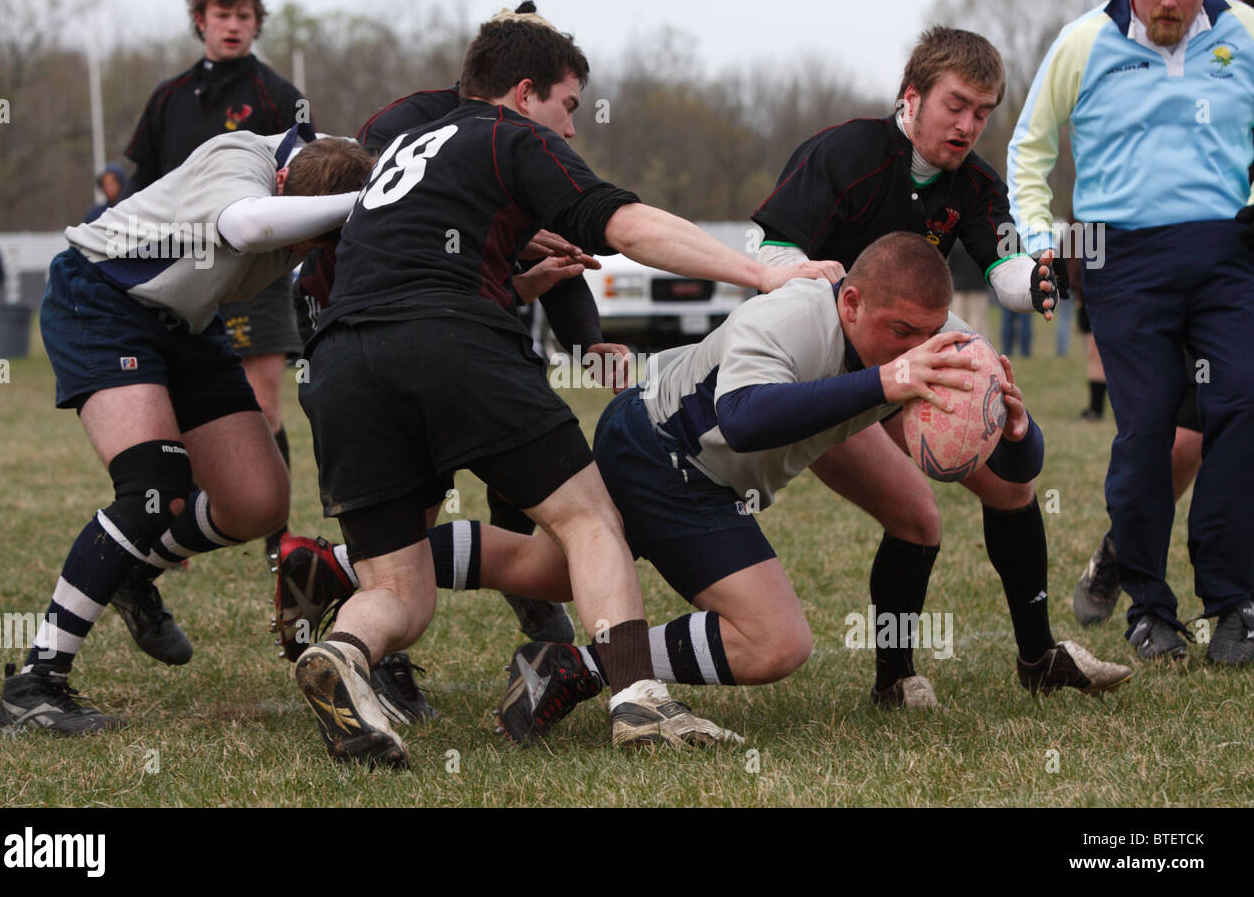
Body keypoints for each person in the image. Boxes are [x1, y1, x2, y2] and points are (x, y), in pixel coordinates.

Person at [283, 233, 1131, 715]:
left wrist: (1012, 429)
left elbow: (999, 472)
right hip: (664, 452)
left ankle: (344, 568)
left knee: (546, 563)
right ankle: (582, 668)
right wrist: (891, 382)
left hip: (681, 459)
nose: (912, 349)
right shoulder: (797, 310)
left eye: (927, 334)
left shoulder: (908, 348)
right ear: (851, 305)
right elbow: (745, 417)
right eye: (897, 331)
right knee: (779, 642)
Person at [294, 7, 823, 767]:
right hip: (449, 341)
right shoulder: (509, 135)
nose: (570, 129)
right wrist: (764, 273)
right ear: (524, 90)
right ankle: (640, 703)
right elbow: (630, 226)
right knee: (589, 521)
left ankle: (343, 651)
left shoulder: (405, 145)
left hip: (341, 362)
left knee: (401, 596)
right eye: (568, 106)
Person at [0, 128, 375, 734]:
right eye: (300, 241)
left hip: (188, 324)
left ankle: (136, 572)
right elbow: (249, 228)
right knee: (153, 489)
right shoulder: (241, 158)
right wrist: (366, 198)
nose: (296, 255)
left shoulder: (331, 160)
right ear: (281, 186)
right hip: (102, 299)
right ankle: (34, 685)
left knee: (258, 501)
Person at [746, 27, 1074, 705]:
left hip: (909, 355)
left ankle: (1036, 657)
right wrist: (822, 292)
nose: (968, 124)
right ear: (912, 94)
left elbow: (1000, 262)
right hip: (821, 369)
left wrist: (1034, 281)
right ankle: (894, 677)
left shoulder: (975, 183)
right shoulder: (845, 153)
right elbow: (767, 252)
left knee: (1010, 484)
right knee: (915, 517)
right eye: (956, 105)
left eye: (983, 112)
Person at [1009, 0, 1254, 663]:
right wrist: (1036, 238)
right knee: (1147, 425)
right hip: (1120, 257)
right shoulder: (1082, 42)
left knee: (1241, 404)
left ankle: (1234, 602)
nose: (1169, 3)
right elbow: (1029, 149)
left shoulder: (1244, 33)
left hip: (1226, 252)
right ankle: (1150, 608)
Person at [122, 0, 306, 580]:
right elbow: (139, 186)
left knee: (261, 403)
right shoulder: (169, 97)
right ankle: (190, 516)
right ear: (200, 21)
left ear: (257, 24)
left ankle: (276, 538)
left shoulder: (279, 95)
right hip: (178, 274)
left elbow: (303, 181)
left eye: (244, 16)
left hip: (254, 273)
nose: (232, 26)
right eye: (222, 15)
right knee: (175, 408)